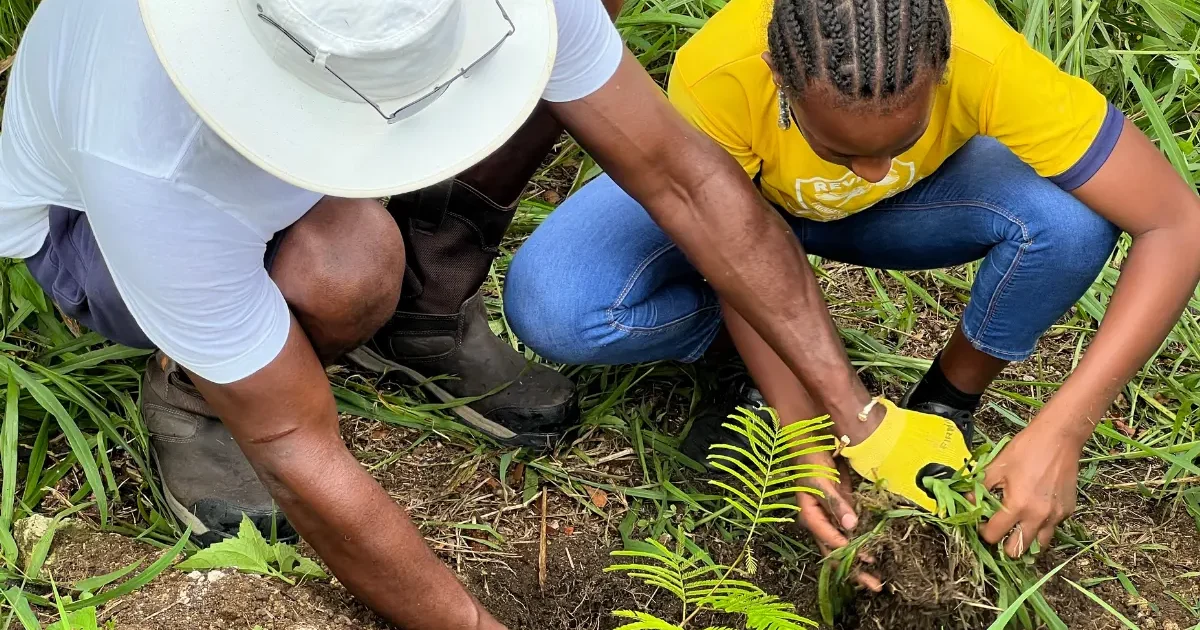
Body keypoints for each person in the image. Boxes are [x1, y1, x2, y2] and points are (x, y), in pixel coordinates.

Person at [1, 0, 981, 626]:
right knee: (349, 271)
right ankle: (193, 392)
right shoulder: (152, 157)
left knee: (544, 66)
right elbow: (302, 448)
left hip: (285, 142)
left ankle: (422, 321)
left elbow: (685, 178)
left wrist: (859, 413)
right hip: (95, 225)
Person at [505, 0, 1200, 590]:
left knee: (1071, 220)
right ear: (780, 77)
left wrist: (1063, 429)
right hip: (727, 212)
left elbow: (1177, 221)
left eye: (902, 137)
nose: (873, 169)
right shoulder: (723, 72)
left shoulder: (978, 50)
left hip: (905, 212)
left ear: (943, 67)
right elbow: (734, 246)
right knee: (558, 302)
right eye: (842, 151)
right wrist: (805, 429)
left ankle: (945, 405)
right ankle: (751, 367)